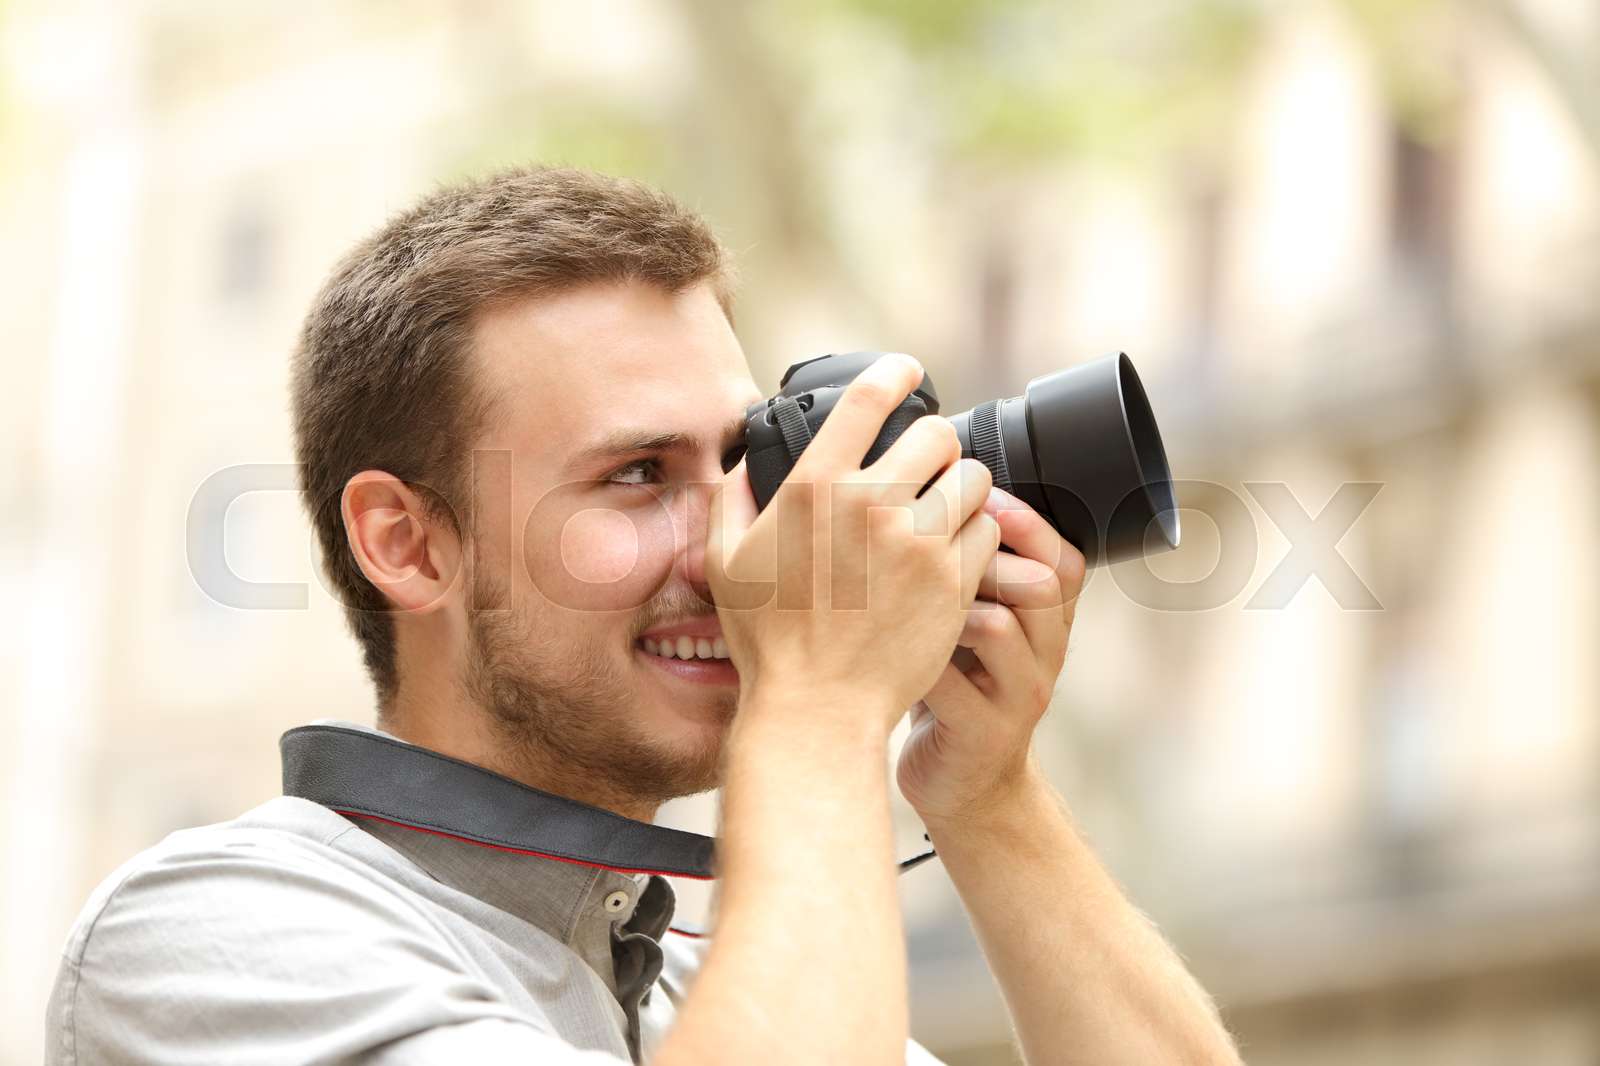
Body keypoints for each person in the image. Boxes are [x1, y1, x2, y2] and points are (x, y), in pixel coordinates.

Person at [44, 166, 1240, 1065]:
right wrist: (820, 703)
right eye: (637, 475)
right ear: (406, 543)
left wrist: (987, 796)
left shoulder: (721, 984)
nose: (737, 546)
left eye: (740, 462)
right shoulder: (213, 937)